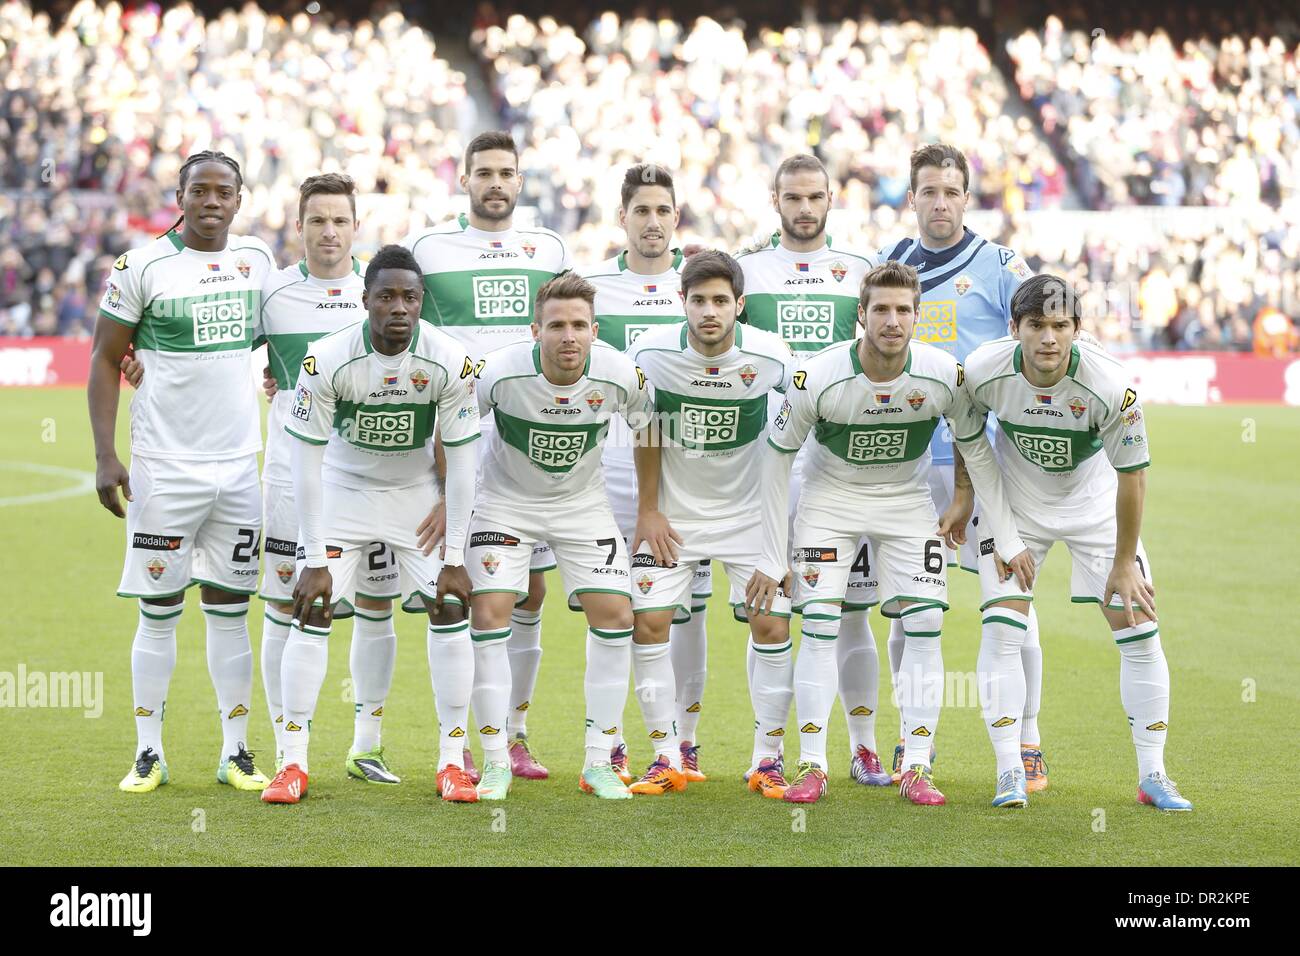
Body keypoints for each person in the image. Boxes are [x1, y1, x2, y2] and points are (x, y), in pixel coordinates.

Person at [747, 261, 1031, 806]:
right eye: (882, 309)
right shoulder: (819, 375)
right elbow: (776, 458)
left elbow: (977, 450)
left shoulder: (942, 374)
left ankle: (917, 767)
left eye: (904, 310)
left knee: (925, 622)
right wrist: (771, 552)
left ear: (918, 316)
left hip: (905, 503)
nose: (893, 320)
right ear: (862, 315)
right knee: (822, 625)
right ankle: (812, 765)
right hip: (831, 502)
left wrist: (1006, 535)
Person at [262, 245, 482, 804]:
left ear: (422, 301)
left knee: (452, 605)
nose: (399, 308)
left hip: (413, 499)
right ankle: (292, 763)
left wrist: (455, 554)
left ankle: (453, 761)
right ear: (365, 301)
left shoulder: (451, 360)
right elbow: (305, 463)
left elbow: (463, 460)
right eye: (386, 296)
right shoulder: (327, 359)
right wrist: (314, 559)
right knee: (310, 609)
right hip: (343, 492)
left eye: (410, 296)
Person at [963, 274, 1191, 811]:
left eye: (1060, 325)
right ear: (1014, 327)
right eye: (1036, 325)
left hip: (1095, 511)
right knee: (1001, 629)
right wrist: (988, 519)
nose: (1048, 337)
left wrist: (1123, 563)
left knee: (1139, 628)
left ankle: (1154, 774)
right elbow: (970, 442)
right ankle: (1008, 771)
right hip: (1016, 508)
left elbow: (1133, 476)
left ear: (1077, 330)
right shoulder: (981, 372)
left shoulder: (1111, 385)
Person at [90, 150, 275, 794]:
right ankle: (148, 752)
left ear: (239, 199)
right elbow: (105, 355)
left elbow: (265, 339)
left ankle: (237, 751)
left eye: (225, 191)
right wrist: (105, 454)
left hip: (237, 468)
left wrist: (278, 364)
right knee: (159, 608)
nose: (212, 201)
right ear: (180, 195)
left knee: (229, 609)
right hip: (163, 470)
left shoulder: (257, 261)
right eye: (201, 190)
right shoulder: (142, 265)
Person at [877, 144, 1045, 789]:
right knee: (909, 607)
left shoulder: (1001, 264)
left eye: (951, 192)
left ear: (966, 197)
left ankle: (1028, 740)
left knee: (1011, 600)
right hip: (911, 461)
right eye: (928, 192)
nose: (940, 203)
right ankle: (910, 740)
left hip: (993, 461)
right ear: (912, 197)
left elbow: (1041, 334)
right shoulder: (893, 265)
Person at [403, 131, 570, 779]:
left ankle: (516, 734)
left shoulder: (548, 248)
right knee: (466, 592)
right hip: (455, 446)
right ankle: (463, 743)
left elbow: (569, 327)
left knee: (529, 592)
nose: (496, 183)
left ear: (520, 181)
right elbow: (397, 324)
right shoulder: (429, 248)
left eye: (506, 173)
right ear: (464, 179)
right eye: (484, 173)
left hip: (530, 451)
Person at [467, 272, 653, 799]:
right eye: (556, 326)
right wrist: (446, 503)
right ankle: (496, 759)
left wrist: (650, 510)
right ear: (535, 331)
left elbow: (650, 427)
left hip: (581, 506)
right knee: (490, 611)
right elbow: (452, 428)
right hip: (505, 505)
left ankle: (598, 761)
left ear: (595, 330)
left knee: (617, 614)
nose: (568, 336)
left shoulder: (620, 374)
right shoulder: (499, 374)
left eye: (578, 325)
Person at [738, 154, 892, 786]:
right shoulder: (745, 269)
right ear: (774, 200)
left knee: (850, 610)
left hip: (839, 460)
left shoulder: (858, 271)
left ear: (831, 200)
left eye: (815, 197)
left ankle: (861, 745)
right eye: (792, 198)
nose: (804, 208)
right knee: (767, 607)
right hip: (768, 459)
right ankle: (768, 751)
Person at [626, 250, 797, 796]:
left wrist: (778, 538)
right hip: (674, 517)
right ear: (682, 303)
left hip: (748, 516)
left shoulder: (772, 358)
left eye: (721, 301)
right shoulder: (650, 354)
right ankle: (664, 755)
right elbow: (646, 430)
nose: (709, 311)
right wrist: (648, 509)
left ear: (740, 306)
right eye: (698, 300)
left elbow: (787, 442)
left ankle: (767, 759)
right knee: (649, 623)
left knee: (771, 626)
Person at [577, 162, 695, 784]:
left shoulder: (697, 284)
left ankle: (679, 742)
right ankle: (610, 742)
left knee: (666, 615)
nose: (652, 222)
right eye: (641, 211)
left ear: (676, 218)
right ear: (622, 217)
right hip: (602, 473)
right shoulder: (591, 286)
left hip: (671, 476)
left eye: (663, 211)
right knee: (610, 612)